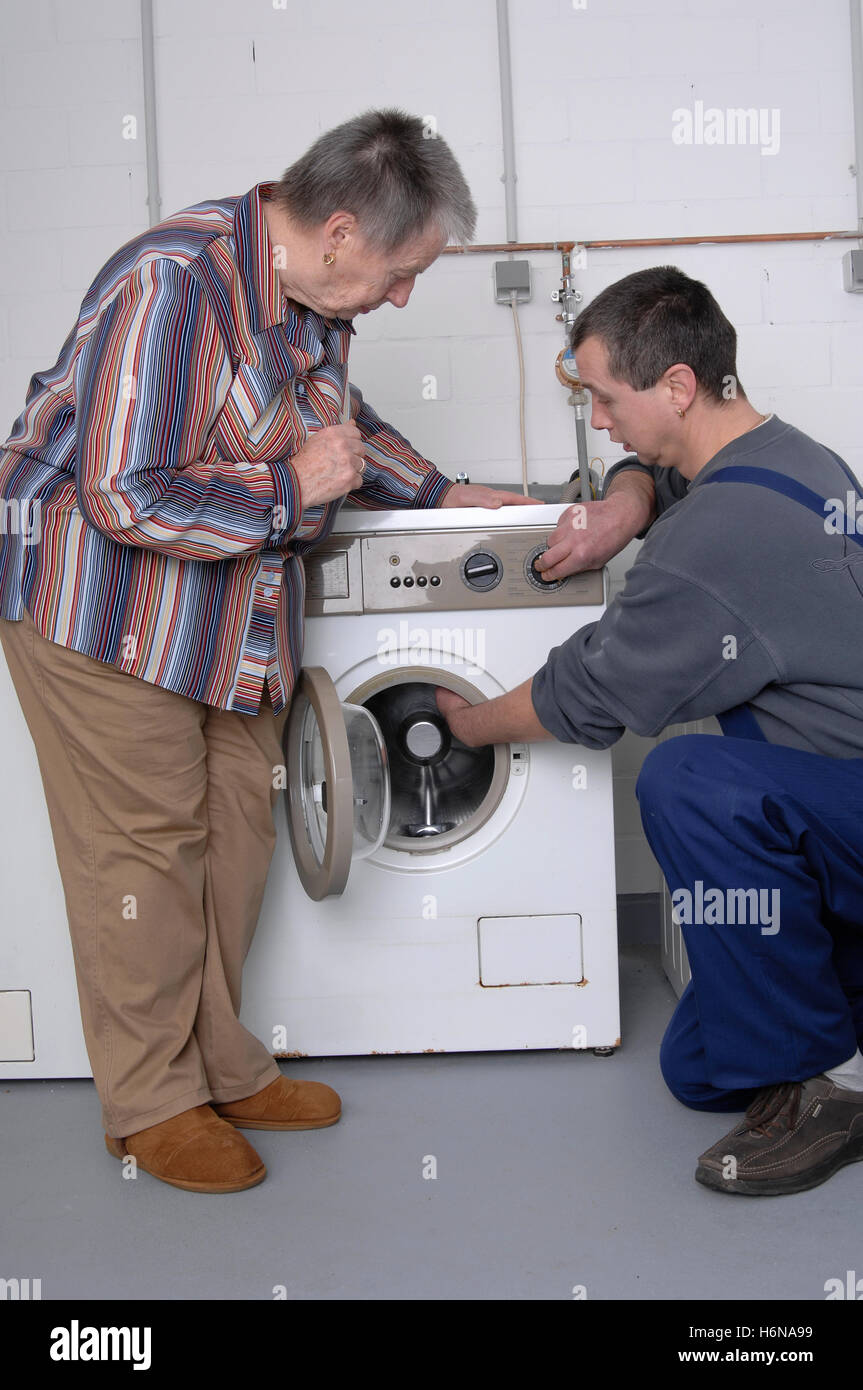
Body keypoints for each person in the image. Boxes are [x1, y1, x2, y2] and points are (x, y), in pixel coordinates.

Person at [0, 108, 540, 1195]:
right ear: (339, 231)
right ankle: (149, 1104)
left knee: (239, 826)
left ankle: (220, 1065)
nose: (402, 296)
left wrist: (445, 496)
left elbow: (341, 421)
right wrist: (292, 488)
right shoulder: (170, 286)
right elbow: (122, 493)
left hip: (221, 601)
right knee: (144, 855)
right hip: (98, 603)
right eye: (401, 270)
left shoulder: (306, 298)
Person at [437, 264, 863, 1197]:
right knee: (698, 1070)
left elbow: (586, 696)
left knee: (686, 779)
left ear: (676, 386)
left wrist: (462, 725)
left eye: (602, 396)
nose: (595, 420)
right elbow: (666, 483)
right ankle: (818, 1043)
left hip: (842, 808)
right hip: (834, 810)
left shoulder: (717, 533)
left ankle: (829, 1090)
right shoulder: (794, 458)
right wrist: (629, 497)